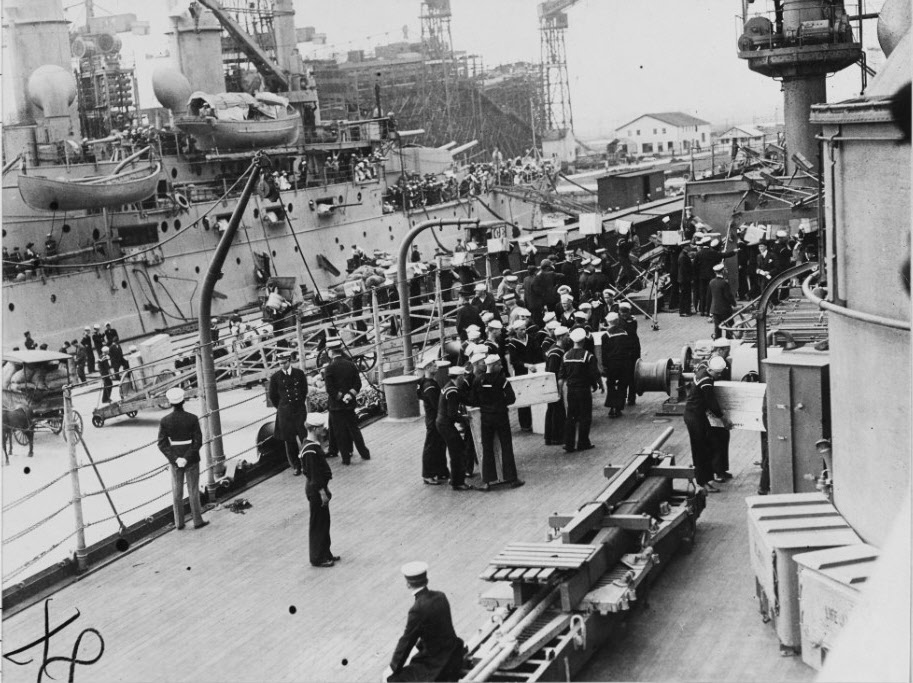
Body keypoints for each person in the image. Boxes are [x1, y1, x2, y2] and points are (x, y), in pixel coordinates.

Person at [384, 562, 465, 682]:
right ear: (426, 580)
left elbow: (406, 641)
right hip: (454, 652)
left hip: (438, 663)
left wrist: (393, 668)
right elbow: (436, 629)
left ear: (408, 584)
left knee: (394, 679)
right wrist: (419, 647)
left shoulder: (417, 609)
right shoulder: (440, 596)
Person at [467, 355, 523, 491]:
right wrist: (499, 404)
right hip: (501, 417)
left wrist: (486, 404)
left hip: (486, 418)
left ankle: (487, 481)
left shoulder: (478, 380)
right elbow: (511, 398)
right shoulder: (501, 380)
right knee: (506, 446)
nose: (501, 366)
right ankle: (511, 478)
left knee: (487, 449)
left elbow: (473, 400)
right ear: (493, 365)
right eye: (499, 364)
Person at [157, 387, 208, 530]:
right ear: (183, 401)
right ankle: (197, 520)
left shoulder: (165, 421)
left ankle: (179, 522)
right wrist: (186, 457)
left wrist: (175, 459)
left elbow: (162, 443)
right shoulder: (192, 418)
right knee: (193, 490)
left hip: (175, 460)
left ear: (170, 403)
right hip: (191, 458)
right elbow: (197, 441)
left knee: (177, 491)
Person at [683, 355, 731, 493]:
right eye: (717, 373)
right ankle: (702, 482)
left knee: (709, 444)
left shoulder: (703, 370)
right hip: (695, 417)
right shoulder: (706, 381)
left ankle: (712, 474)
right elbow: (711, 402)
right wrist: (724, 419)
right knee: (700, 450)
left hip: (697, 415)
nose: (719, 375)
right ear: (711, 370)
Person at [299, 412, 338, 568]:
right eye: (321, 427)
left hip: (320, 488)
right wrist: (322, 493)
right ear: (314, 429)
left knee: (324, 522)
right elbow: (314, 475)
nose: (324, 429)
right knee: (318, 524)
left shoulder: (311, 446)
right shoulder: (310, 450)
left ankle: (325, 552)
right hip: (317, 491)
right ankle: (317, 557)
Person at [323, 339, 370, 465]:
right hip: (349, 404)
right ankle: (365, 453)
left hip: (336, 406)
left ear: (330, 352)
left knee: (340, 432)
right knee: (354, 429)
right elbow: (358, 383)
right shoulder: (350, 364)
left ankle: (346, 458)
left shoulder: (329, 368)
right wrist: (349, 395)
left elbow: (329, 389)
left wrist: (340, 397)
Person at [560, 327, 603, 452]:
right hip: (583, 390)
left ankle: (569, 444)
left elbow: (561, 375)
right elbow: (594, 373)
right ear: (584, 340)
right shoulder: (588, 356)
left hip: (571, 390)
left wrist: (560, 390)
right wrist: (599, 384)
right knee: (585, 416)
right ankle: (583, 442)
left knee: (571, 416)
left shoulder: (566, 356)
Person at [268, 350, 309, 476]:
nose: (282, 366)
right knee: (289, 441)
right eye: (280, 364)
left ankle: (308, 463)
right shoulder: (275, 378)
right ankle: (296, 466)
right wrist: (282, 407)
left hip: (299, 410)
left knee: (304, 437)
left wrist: (299, 404)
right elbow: (273, 396)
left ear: (289, 361)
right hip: (285, 413)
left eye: (284, 363)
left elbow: (304, 390)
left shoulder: (299, 374)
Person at [435, 366, 472, 491]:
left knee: (456, 450)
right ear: (460, 377)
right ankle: (458, 482)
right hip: (446, 425)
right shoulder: (452, 392)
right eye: (464, 376)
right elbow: (452, 414)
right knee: (458, 452)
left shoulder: (450, 386)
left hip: (442, 423)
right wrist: (466, 418)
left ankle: (455, 479)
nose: (465, 378)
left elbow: (463, 398)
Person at [417, 360, 449, 485]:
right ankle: (428, 474)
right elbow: (437, 404)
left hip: (433, 419)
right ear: (428, 368)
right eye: (434, 365)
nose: (437, 367)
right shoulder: (429, 386)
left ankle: (441, 471)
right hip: (434, 420)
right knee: (431, 447)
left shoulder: (425, 382)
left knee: (440, 445)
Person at [601, 312, 637, 418]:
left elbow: (604, 353)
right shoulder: (624, 333)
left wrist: (605, 366)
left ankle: (612, 406)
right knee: (622, 385)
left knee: (611, 384)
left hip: (612, 364)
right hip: (624, 363)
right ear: (617, 321)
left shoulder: (605, 336)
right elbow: (629, 348)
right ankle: (618, 407)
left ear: (608, 322)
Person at [543, 326, 568, 445]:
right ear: (561, 337)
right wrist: (557, 389)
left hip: (554, 384)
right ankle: (555, 437)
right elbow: (553, 371)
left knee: (553, 410)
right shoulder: (556, 353)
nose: (569, 338)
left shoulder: (555, 350)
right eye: (567, 336)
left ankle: (551, 437)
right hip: (554, 385)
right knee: (557, 411)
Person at [618, 303, 641, 406]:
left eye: (625, 313)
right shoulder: (619, 320)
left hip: (632, 350)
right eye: (622, 313)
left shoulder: (632, 320)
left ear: (629, 312)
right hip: (624, 351)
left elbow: (629, 332)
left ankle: (631, 397)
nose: (624, 315)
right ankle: (623, 397)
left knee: (632, 375)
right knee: (623, 375)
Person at [708, 262, 736, 339]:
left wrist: (710, 312)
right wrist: (734, 303)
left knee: (717, 329)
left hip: (715, 310)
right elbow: (728, 296)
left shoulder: (711, 282)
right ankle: (729, 341)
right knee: (729, 327)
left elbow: (710, 297)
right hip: (725, 310)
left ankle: (717, 343)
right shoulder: (724, 283)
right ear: (723, 271)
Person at [677, 242, 694, 316]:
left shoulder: (683, 255)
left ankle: (686, 310)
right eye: (688, 246)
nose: (690, 247)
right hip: (684, 279)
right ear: (685, 247)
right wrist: (690, 278)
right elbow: (685, 270)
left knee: (685, 295)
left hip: (684, 279)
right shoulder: (683, 257)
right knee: (685, 296)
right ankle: (684, 311)